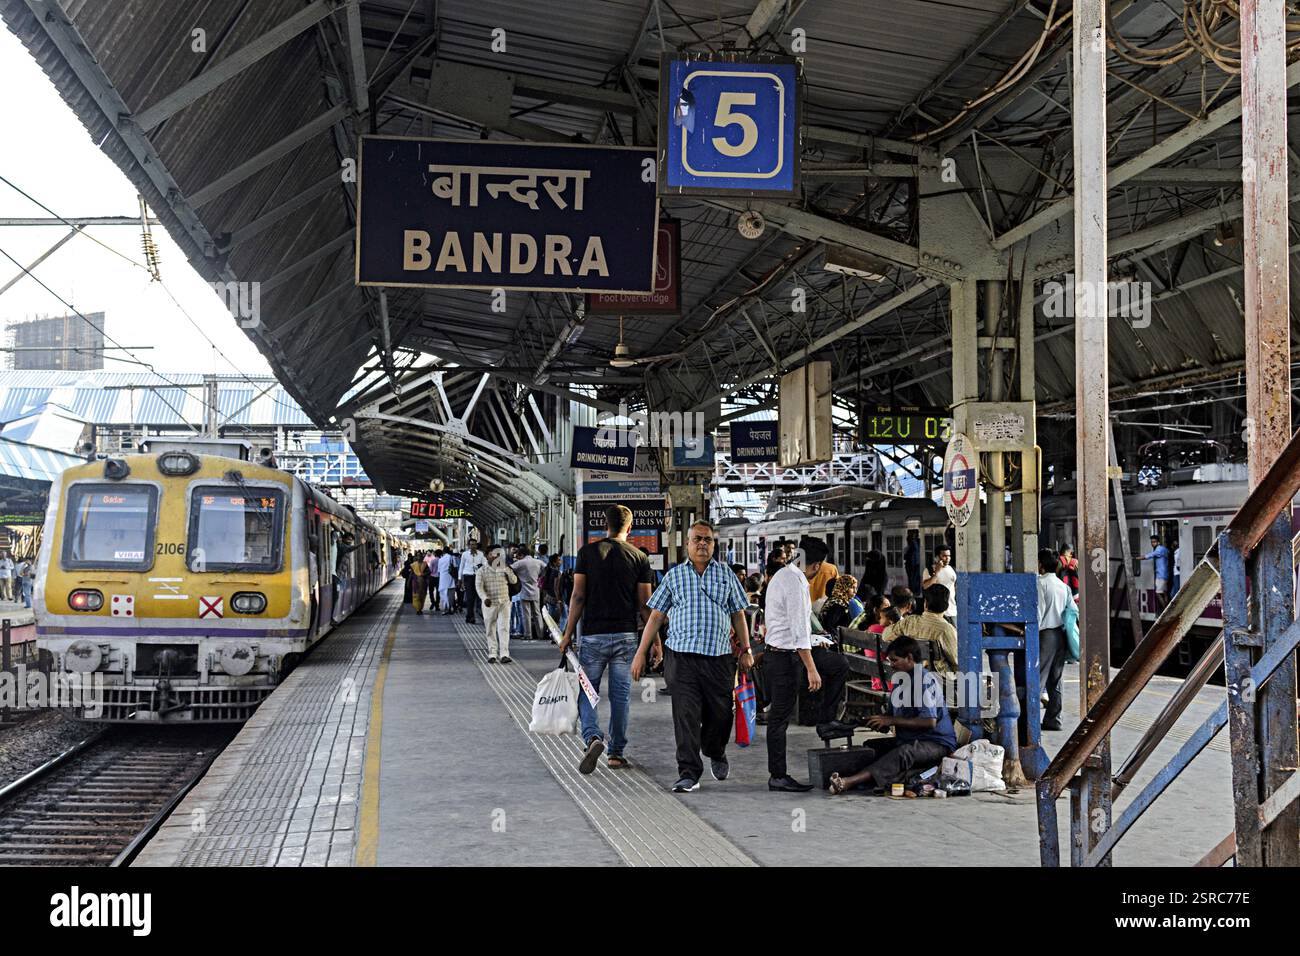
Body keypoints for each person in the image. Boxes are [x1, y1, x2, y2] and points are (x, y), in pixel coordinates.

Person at [631, 519, 752, 793]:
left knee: (721, 715)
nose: (702, 544)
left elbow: (738, 614)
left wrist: (745, 650)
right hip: (682, 659)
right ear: (687, 544)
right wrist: (642, 652)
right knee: (685, 715)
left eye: (707, 539)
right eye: (697, 539)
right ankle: (688, 772)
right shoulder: (674, 576)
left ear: (714, 544)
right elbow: (656, 616)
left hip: (719, 658)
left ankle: (715, 749)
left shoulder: (726, 575)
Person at [559, 505, 655, 774]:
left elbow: (577, 597)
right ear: (630, 527)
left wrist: (567, 634)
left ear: (605, 525)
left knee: (588, 693)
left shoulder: (587, 553)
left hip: (593, 636)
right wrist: (654, 641)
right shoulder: (639, 557)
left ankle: (592, 737)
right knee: (621, 697)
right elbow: (645, 605)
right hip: (626, 636)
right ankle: (616, 753)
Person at [763, 538, 857, 793]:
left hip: (783, 652)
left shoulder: (783, 574)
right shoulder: (796, 583)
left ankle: (826, 720)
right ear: (815, 565)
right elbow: (798, 630)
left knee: (838, 664)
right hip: (785, 657)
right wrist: (812, 668)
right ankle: (777, 775)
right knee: (779, 718)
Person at [829, 636, 957, 795]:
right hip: (912, 738)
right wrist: (878, 721)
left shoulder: (923, 680)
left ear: (909, 658)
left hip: (937, 743)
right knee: (872, 746)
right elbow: (892, 714)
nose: (892, 665)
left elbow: (929, 722)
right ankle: (865, 779)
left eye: (895, 660)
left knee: (903, 753)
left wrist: (891, 720)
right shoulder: (900, 679)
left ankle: (849, 782)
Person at [1037, 547, 1075, 731]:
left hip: (1045, 635)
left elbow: (1038, 613)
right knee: (1056, 680)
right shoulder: (1064, 586)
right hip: (1061, 634)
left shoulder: (1040, 583)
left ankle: (1031, 722)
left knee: (1038, 678)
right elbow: (1073, 610)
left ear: (1040, 565)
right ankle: (1054, 719)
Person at [882, 583, 959, 673]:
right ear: (946, 606)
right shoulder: (946, 629)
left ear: (925, 604)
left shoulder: (909, 621)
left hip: (910, 676)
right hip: (939, 681)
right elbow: (957, 661)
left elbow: (885, 636)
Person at [477, 544, 519, 664]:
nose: (494, 556)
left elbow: (514, 581)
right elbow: (479, 587)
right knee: (490, 628)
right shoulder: (481, 571)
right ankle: (492, 654)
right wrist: (484, 598)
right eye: (492, 554)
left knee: (504, 628)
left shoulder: (504, 568)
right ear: (486, 556)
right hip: (489, 604)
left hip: (504, 602)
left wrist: (506, 569)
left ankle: (504, 654)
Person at [512, 545, 545, 640]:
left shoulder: (520, 563)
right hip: (535, 589)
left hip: (524, 590)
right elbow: (546, 569)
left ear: (522, 554)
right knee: (537, 613)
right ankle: (540, 634)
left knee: (526, 614)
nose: (517, 557)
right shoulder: (538, 562)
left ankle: (528, 635)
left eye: (518, 555)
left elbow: (509, 569)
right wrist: (539, 576)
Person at [923, 544, 958, 628]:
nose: (947, 558)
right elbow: (925, 586)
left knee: (953, 637)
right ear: (937, 557)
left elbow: (954, 587)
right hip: (935, 612)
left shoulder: (951, 569)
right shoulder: (929, 570)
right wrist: (937, 572)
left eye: (949, 556)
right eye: (944, 556)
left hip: (951, 610)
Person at [460, 539, 486, 625]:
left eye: (474, 545)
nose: (473, 546)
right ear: (468, 546)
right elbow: (461, 566)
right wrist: (460, 579)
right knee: (470, 598)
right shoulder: (465, 554)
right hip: (468, 577)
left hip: (478, 577)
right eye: (471, 545)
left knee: (479, 597)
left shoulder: (481, 554)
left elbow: (485, 564)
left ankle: (478, 614)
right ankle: (470, 617)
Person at [1144, 535, 1173, 610]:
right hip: (1166, 574)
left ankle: (1165, 609)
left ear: (1158, 542)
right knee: (1165, 592)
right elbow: (1169, 553)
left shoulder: (1158, 550)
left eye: (1154, 542)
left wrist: (1135, 558)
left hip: (1160, 575)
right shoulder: (1164, 549)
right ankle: (1167, 607)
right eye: (1151, 542)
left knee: (1158, 593)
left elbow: (1148, 556)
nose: (1152, 544)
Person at [904, 530, 922, 595]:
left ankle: (913, 592)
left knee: (912, 580)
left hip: (912, 565)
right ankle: (914, 592)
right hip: (914, 565)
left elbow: (905, 557)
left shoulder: (910, 547)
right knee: (914, 579)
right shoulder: (915, 545)